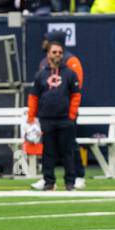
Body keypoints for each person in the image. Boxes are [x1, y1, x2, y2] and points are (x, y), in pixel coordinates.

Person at [31, 30, 86, 189]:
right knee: (48, 148)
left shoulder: (71, 61)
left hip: (66, 112)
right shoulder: (44, 63)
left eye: (46, 40)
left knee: (69, 146)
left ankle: (78, 175)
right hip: (48, 113)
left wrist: (71, 112)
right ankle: (47, 178)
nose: (44, 42)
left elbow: (77, 87)